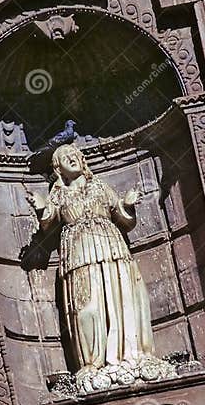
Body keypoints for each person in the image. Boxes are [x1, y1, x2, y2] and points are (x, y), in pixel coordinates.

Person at [27, 144, 174, 392]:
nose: (72, 158)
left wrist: (127, 205)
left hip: (111, 249)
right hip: (78, 255)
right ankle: (93, 363)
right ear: (57, 167)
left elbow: (121, 216)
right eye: (65, 157)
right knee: (87, 307)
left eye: (75, 155)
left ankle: (132, 352)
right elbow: (48, 223)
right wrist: (42, 207)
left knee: (121, 297)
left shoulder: (99, 186)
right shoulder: (59, 194)